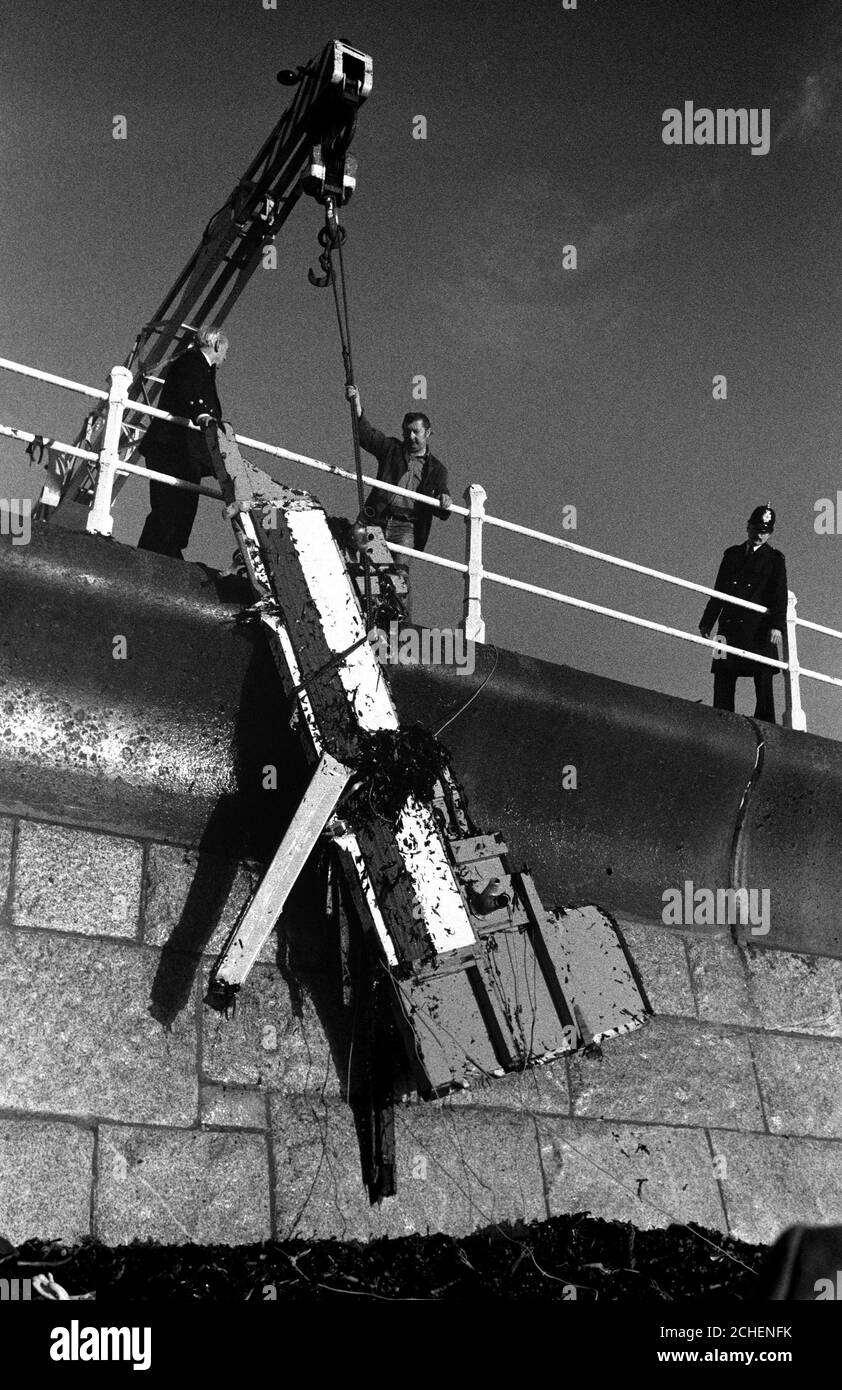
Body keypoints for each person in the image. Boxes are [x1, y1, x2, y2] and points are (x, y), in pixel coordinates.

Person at [345, 384, 452, 620]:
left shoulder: (437, 469)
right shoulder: (392, 449)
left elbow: (442, 503)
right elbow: (367, 436)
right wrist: (357, 405)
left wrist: (444, 499)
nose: (410, 437)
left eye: (415, 432)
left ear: (428, 433)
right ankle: (372, 617)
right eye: (407, 432)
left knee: (400, 576)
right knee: (373, 569)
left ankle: (403, 624)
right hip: (379, 520)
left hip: (407, 527)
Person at [137, 326, 229, 559]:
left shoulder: (201, 367)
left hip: (183, 449)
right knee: (170, 505)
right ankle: (156, 554)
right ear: (217, 345)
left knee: (181, 506)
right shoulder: (192, 362)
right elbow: (188, 389)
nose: (226, 357)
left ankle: (166, 551)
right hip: (174, 447)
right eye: (225, 351)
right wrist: (201, 414)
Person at [699, 505, 788, 723]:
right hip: (729, 624)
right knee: (723, 671)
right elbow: (718, 589)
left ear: (770, 533)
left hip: (758, 627)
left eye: (765, 531)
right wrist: (707, 621)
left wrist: (777, 625)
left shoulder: (775, 559)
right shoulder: (732, 555)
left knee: (763, 674)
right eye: (757, 529)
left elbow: (779, 594)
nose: (760, 535)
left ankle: (766, 723)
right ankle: (721, 717)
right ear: (748, 527)